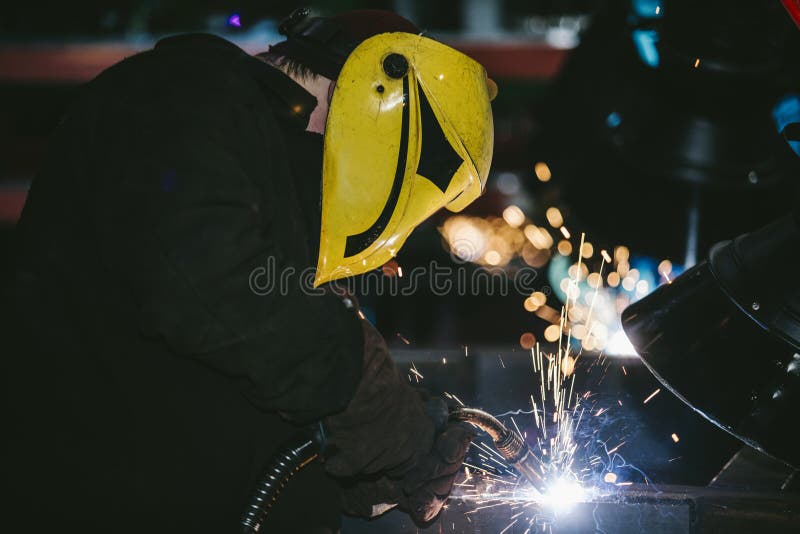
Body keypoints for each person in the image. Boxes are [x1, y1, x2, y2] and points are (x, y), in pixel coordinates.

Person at [3, 8, 495, 533]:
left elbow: (241, 388)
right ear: (379, 97)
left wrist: (364, 470)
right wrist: (361, 391)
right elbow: (212, 283)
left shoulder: (275, 181)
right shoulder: (174, 96)